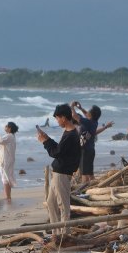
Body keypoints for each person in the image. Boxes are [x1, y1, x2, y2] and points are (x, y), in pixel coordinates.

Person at [36, 104, 81, 243]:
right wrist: (48, 139)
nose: (57, 121)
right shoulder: (68, 132)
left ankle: (65, 234)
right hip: (58, 172)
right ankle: (56, 232)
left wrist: (45, 142)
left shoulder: (71, 134)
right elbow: (60, 149)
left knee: (63, 205)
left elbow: (56, 153)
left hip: (62, 173)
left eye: (57, 118)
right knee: (51, 202)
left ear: (64, 118)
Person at [71, 102, 114, 189]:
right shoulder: (94, 122)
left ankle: (83, 191)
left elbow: (74, 116)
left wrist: (71, 106)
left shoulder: (87, 122)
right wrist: (81, 108)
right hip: (90, 150)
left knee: (84, 174)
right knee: (90, 174)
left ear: (91, 114)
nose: (87, 113)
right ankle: (97, 188)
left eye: (89, 112)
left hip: (85, 151)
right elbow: (88, 117)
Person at [0, 121, 18, 202]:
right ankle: (8, 196)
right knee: (7, 178)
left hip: (6, 160)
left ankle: (7, 197)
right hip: (8, 159)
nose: (5, 127)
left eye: (6, 126)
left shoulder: (9, 136)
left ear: (9, 128)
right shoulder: (11, 136)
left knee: (5, 179)